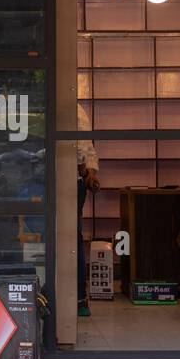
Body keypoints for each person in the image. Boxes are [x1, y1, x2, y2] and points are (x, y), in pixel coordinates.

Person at [77, 103, 99, 316]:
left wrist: (86, 171)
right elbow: (88, 147)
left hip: (71, 178)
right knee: (73, 238)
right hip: (78, 179)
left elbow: (82, 149)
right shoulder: (78, 109)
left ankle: (78, 298)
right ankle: (79, 299)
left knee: (70, 239)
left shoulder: (70, 108)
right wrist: (91, 174)